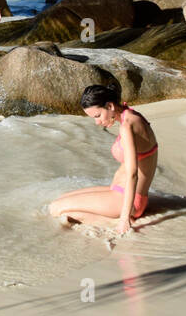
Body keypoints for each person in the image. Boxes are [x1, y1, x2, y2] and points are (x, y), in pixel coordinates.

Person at [49, 85, 159, 234]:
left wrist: (124, 219)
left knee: (55, 209)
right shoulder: (131, 115)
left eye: (97, 116)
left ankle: (112, 222)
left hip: (127, 200)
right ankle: (116, 215)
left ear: (110, 106)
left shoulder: (127, 126)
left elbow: (133, 174)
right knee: (60, 199)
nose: (97, 122)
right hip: (120, 191)